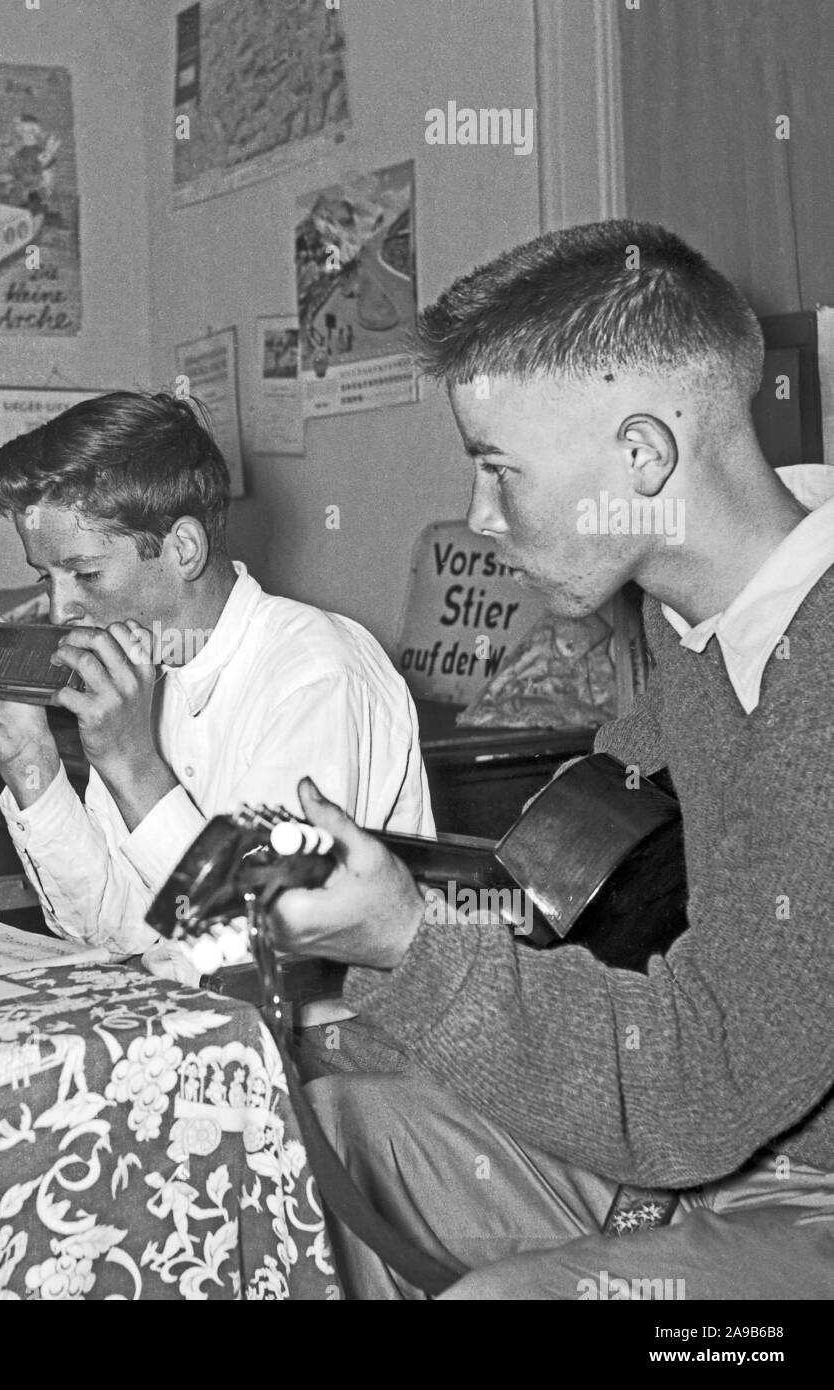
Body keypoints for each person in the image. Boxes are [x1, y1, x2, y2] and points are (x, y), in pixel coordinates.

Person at [267, 220, 834, 1299]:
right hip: (717, 1140)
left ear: (642, 457)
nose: (478, 517)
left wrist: (404, 942)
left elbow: (695, 1089)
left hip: (796, 1176)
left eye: (497, 471)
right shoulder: (691, 617)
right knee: (310, 1133)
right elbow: (570, 874)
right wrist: (382, 950)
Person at [0, 390, 433, 975]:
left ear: (183, 549)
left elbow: (260, 942)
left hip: (320, 1040)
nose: (58, 608)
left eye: (85, 572)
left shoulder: (317, 674)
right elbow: (111, 926)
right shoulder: (143, 665)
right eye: (47, 576)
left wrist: (133, 764)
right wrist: (30, 761)